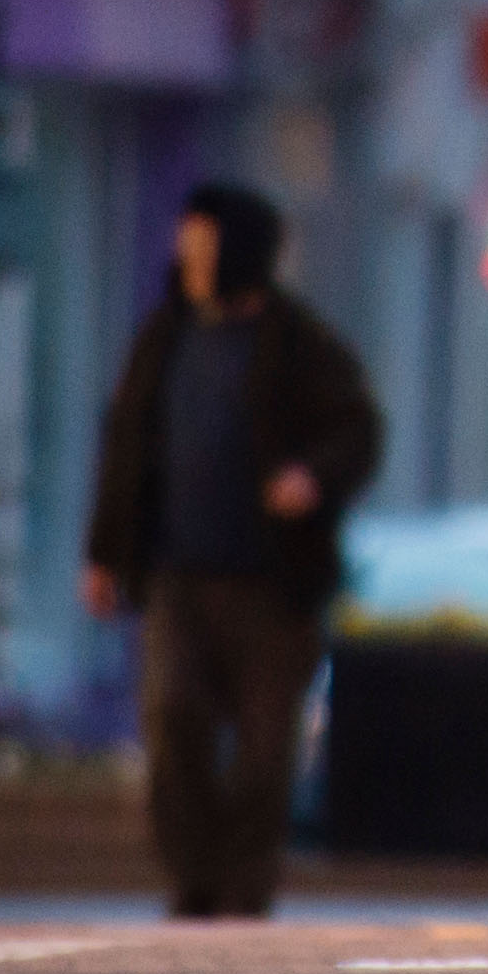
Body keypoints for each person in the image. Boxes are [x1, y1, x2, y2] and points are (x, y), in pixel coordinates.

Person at [81, 183, 384, 918]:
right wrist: (105, 553)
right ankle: (194, 878)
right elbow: (125, 446)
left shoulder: (301, 345)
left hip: (272, 585)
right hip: (176, 576)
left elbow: (358, 430)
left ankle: (245, 888)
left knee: (264, 749)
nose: (189, 265)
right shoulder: (165, 339)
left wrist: (311, 477)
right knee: (172, 716)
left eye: (203, 251)